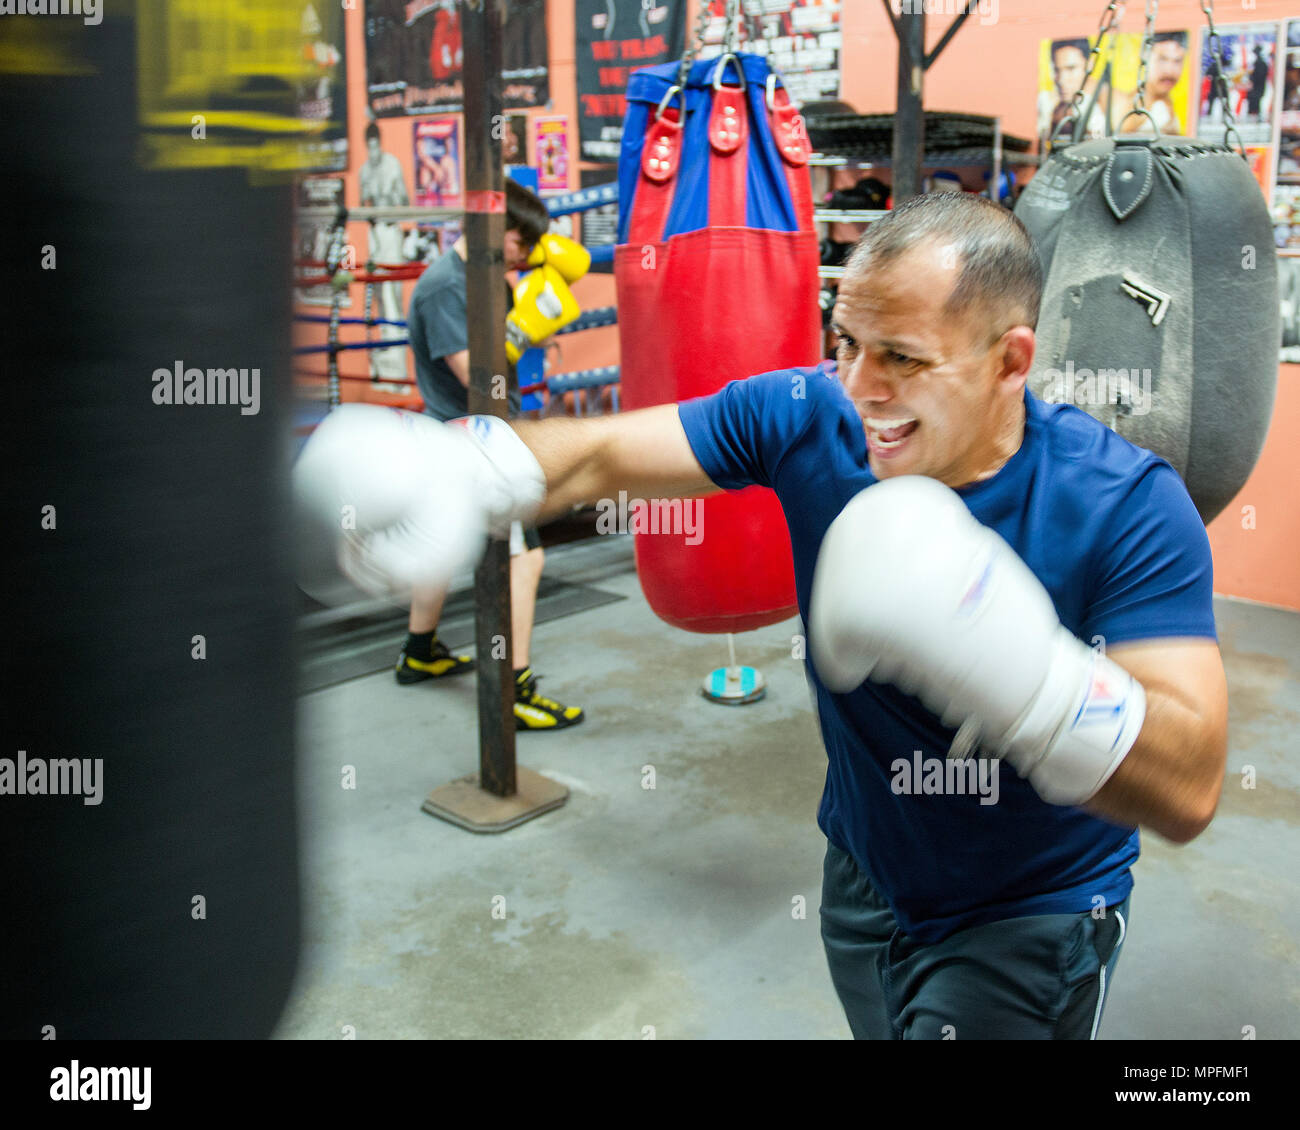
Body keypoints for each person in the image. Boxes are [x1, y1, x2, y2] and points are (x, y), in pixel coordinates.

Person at [296, 193, 1227, 1037]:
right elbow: (605, 455)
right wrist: (470, 470)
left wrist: (1031, 677)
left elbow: (1190, 788)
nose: (861, 386)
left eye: (901, 358)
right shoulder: (810, 417)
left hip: (1032, 915)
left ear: (1009, 360)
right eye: (846, 343)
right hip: (863, 878)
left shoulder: (1125, 505)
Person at [397, 176, 584, 732]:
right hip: (463, 441)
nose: (527, 257)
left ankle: (419, 649)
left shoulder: (488, 279)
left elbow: (499, 358)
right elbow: (478, 377)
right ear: (499, 232)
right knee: (524, 559)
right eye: (522, 244)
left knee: (438, 545)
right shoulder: (444, 288)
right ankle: (515, 690)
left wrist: (529, 326)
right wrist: (525, 331)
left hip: (467, 433)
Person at [358, 122, 410, 380]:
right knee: (379, 293)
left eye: (375, 147)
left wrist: (390, 200)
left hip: (391, 231)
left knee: (395, 292)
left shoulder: (392, 165)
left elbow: (405, 201)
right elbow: (360, 206)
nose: (373, 153)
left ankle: (399, 351)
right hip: (375, 232)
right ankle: (386, 350)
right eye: (370, 148)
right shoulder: (364, 170)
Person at [1111, 31, 1189, 134]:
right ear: (1145, 56)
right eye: (1162, 59)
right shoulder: (1132, 104)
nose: (1169, 70)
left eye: (1177, 61)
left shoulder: (1169, 101)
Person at [1037, 38, 1107, 142]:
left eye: (1071, 69)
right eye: (1057, 70)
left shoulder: (1107, 99)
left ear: (1089, 65)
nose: (1061, 80)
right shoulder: (1048, 102)